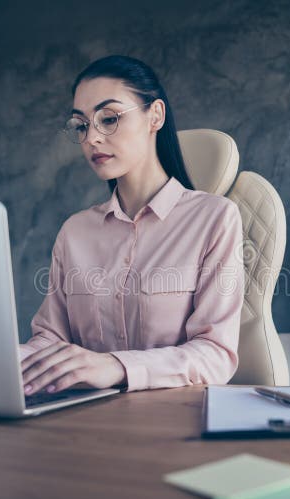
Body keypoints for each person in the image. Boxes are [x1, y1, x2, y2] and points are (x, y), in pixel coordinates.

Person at [19, 55, 244, 395]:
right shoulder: (75, 232)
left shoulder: (214, 218)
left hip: (176, 424)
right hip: (83, 422)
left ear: (155, 116)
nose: (91, 138)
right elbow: (52, 339)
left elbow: (215, 355)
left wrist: (116, 365)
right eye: (81, 125)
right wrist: (3, 358)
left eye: (108, 119)